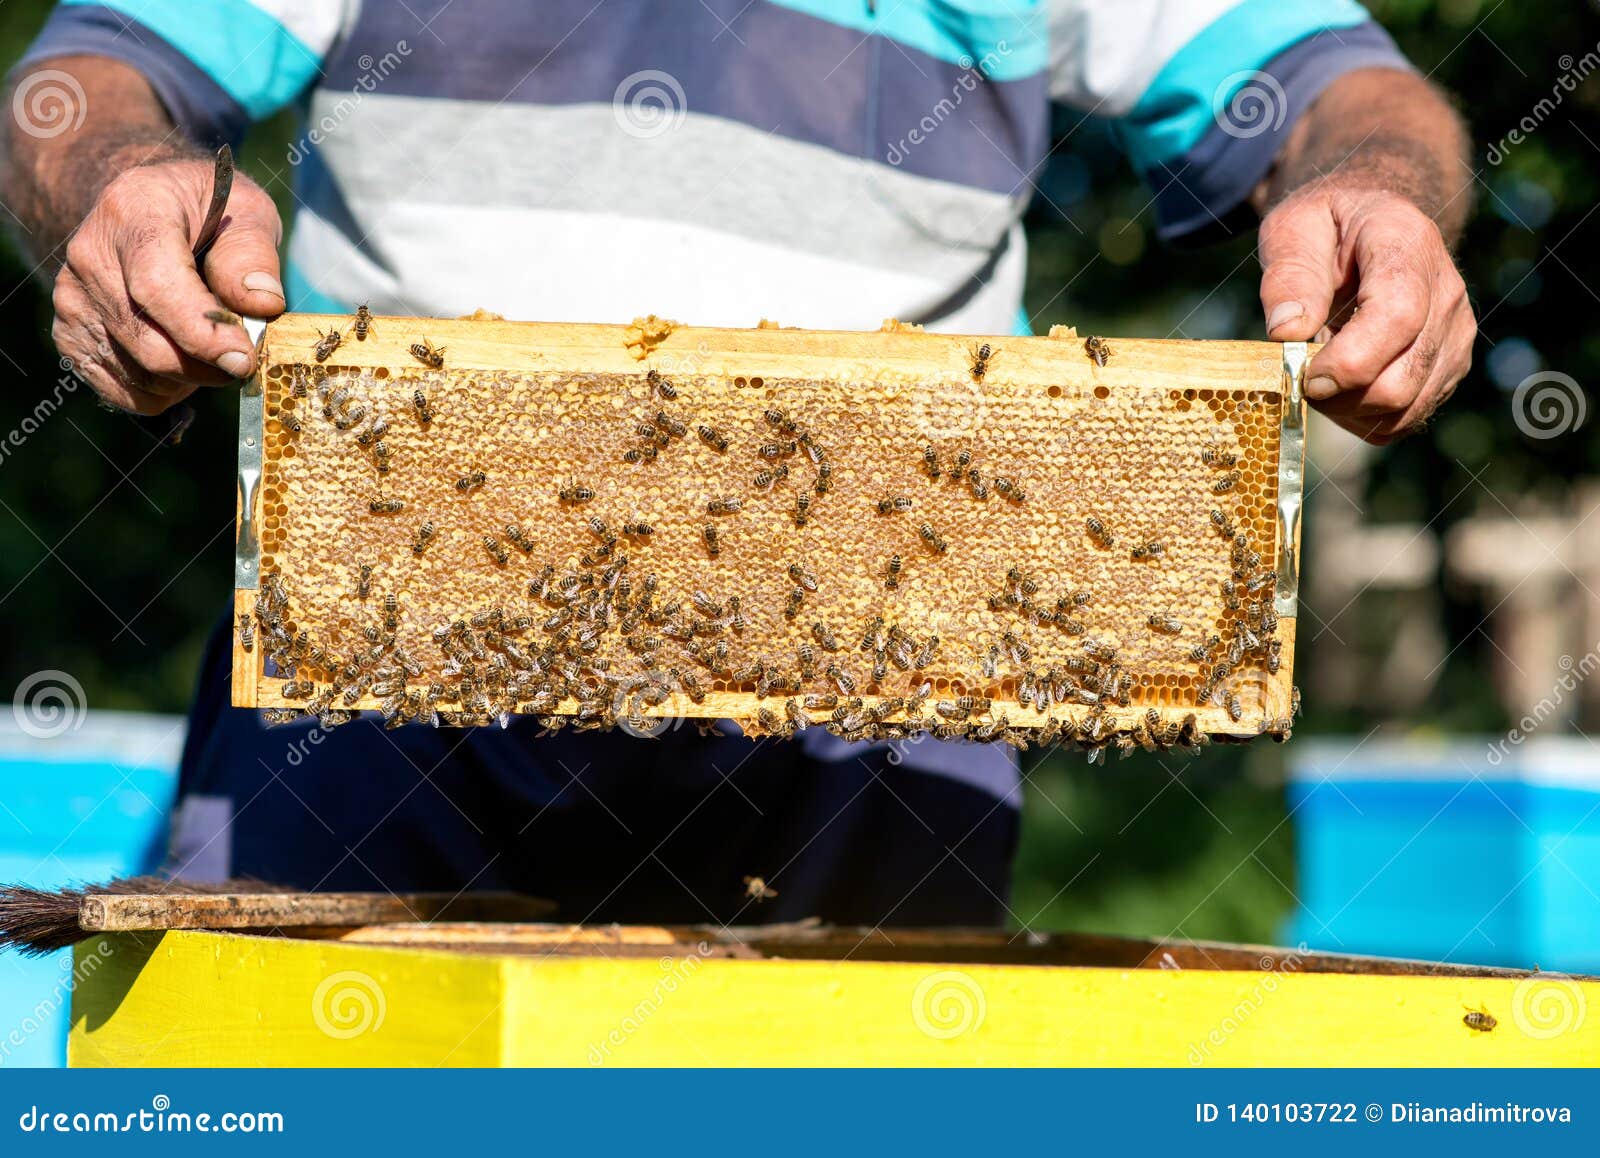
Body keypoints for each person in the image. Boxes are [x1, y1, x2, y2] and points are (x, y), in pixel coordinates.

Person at [2, 2, 1474, 926]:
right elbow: (92, 70)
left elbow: (1339, 77)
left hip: (896, 703)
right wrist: (116, 182)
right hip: (369, 686)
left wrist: (1375, 189)